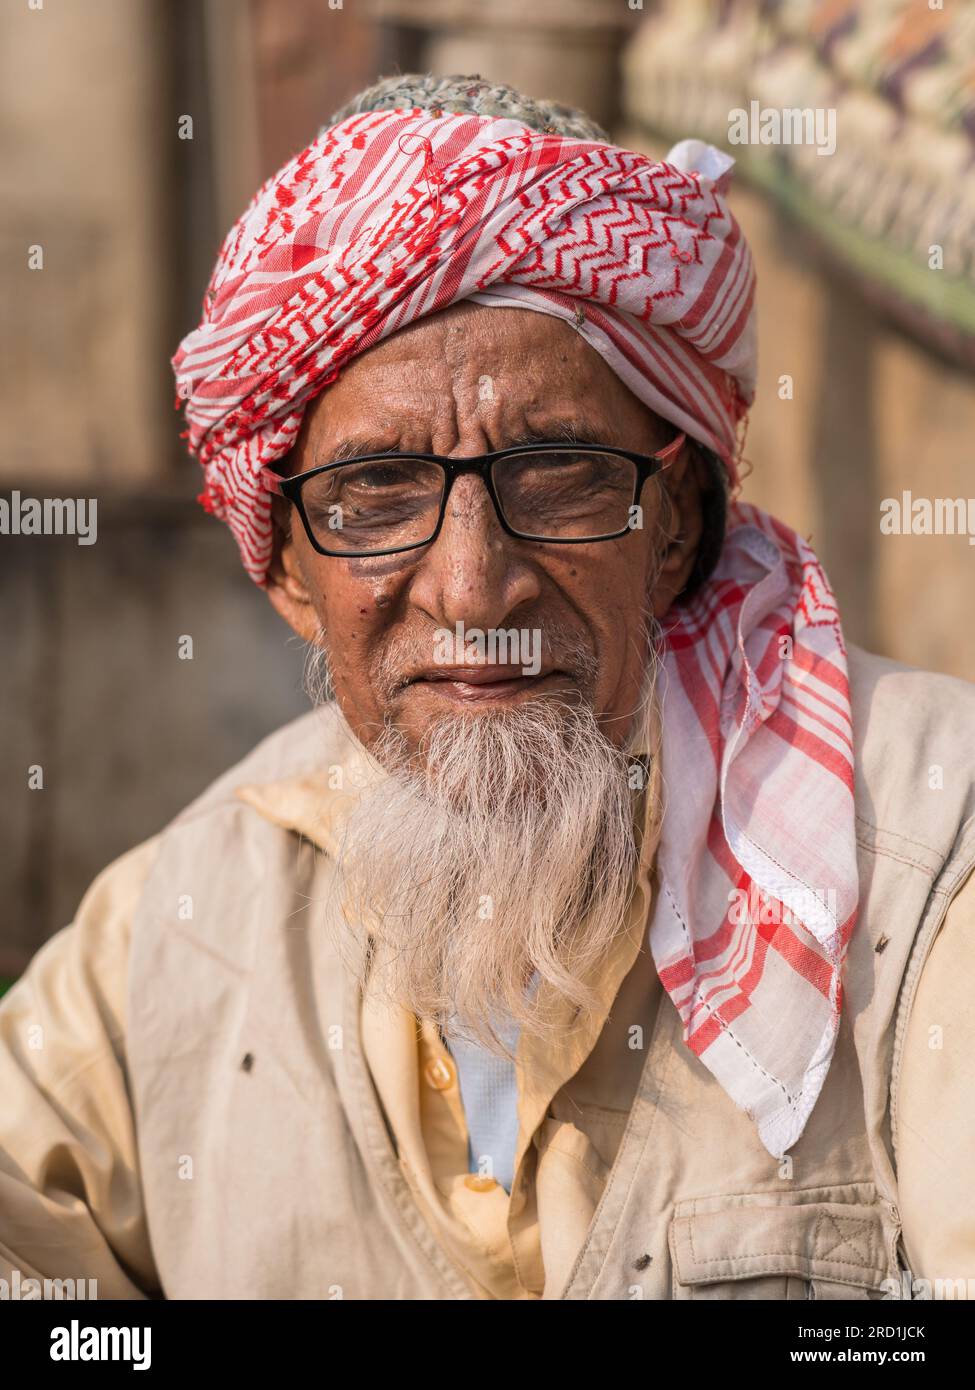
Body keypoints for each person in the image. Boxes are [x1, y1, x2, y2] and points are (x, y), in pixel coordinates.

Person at [2, 74, 974, 1301]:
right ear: (291, 573)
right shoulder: (188, 921)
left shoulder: (927, 861)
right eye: (380, 493)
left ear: (672, 528)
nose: (471, 587)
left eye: (558, 474)